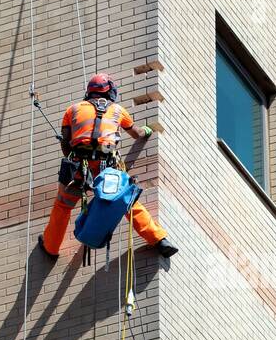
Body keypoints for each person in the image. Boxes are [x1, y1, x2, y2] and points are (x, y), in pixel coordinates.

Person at [40, 72, 177, 259]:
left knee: (63, 205)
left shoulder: (72, 110)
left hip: (78, 166)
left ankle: (50, 247)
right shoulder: (118, 110)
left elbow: (65, 142)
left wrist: (75, 162)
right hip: (107, 167)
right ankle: (159, 239)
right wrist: (147, 130)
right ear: (110, 91)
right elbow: (137, 133)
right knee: (126, 200)